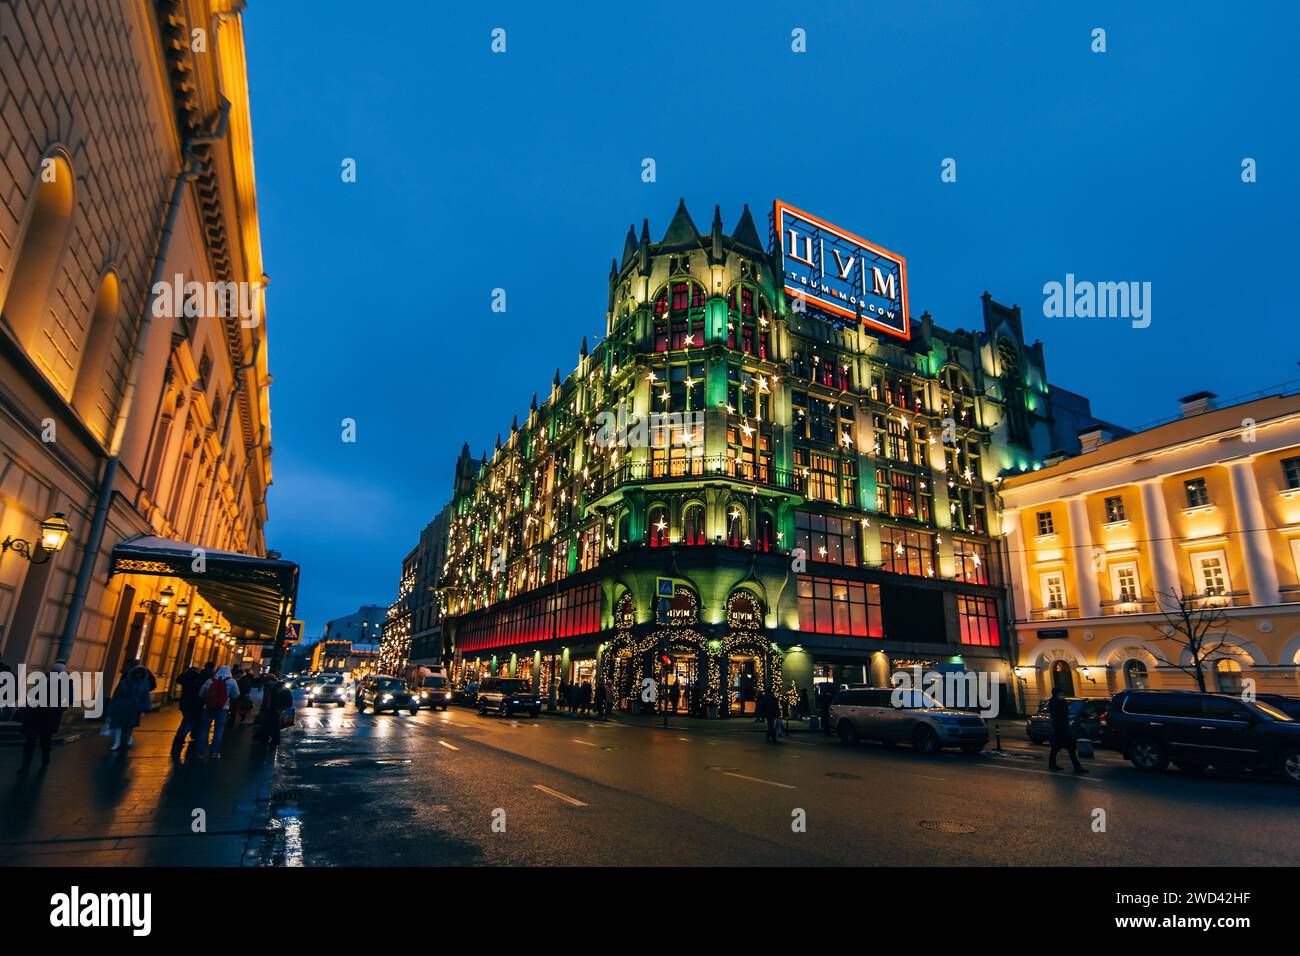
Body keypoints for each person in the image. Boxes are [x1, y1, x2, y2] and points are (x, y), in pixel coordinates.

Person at [16, 663, 66, 773]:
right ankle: (38, 762)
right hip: (42, 717)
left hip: (42, 716)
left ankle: (31, 764)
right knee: (38, 742)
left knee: (37, 742)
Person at [194, 665, 240, 758]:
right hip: (223, 709)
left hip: (209, 707)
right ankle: (214, 752)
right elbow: (236, 695)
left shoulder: (210, 680)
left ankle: (200, 752)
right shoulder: (232, 682)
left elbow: (201, 694)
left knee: (204, 729)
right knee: (219, 730)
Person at [107, 665, 152, 751]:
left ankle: (128, 737)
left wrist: (144, 709)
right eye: (137, 673)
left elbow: (145, 696)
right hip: (121, 707)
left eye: (140, 673)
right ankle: (117, 742)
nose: (138, 675)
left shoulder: (144, 684)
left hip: (134, 709)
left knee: (129, 725)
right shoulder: (124, 683)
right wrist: (112, 707)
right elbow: (116, 695)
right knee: (118, 725)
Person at [1047, 686, 1088, 774]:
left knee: (1055, 748)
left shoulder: (1052, 702)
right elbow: (1066, 713)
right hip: (1063, 729)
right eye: (1061, 692)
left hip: (1057, 728)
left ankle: (1052, 764)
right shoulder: (1061, 702)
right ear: (1058, 693)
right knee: (1071, 747)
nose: (1062, 694)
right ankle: (1077, 766)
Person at [171, 665, 205, 760]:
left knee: (186, 720)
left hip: (184, 703)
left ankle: (179, 737)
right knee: (189, 721)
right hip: (194, 704)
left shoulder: (185, 678)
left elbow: (178, 679)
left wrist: (185, 672)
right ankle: (180, 737)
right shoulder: (198, 679)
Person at [255, 674, 295, 747]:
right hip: (270, 710)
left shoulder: (278, 688)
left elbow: (287, 701)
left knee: (274, 726)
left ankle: (272, 741)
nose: (266, 684)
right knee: (270, 725)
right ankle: (267, 739)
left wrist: (284, 710)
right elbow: (266, 700)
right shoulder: (269, 688)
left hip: (276, 710)